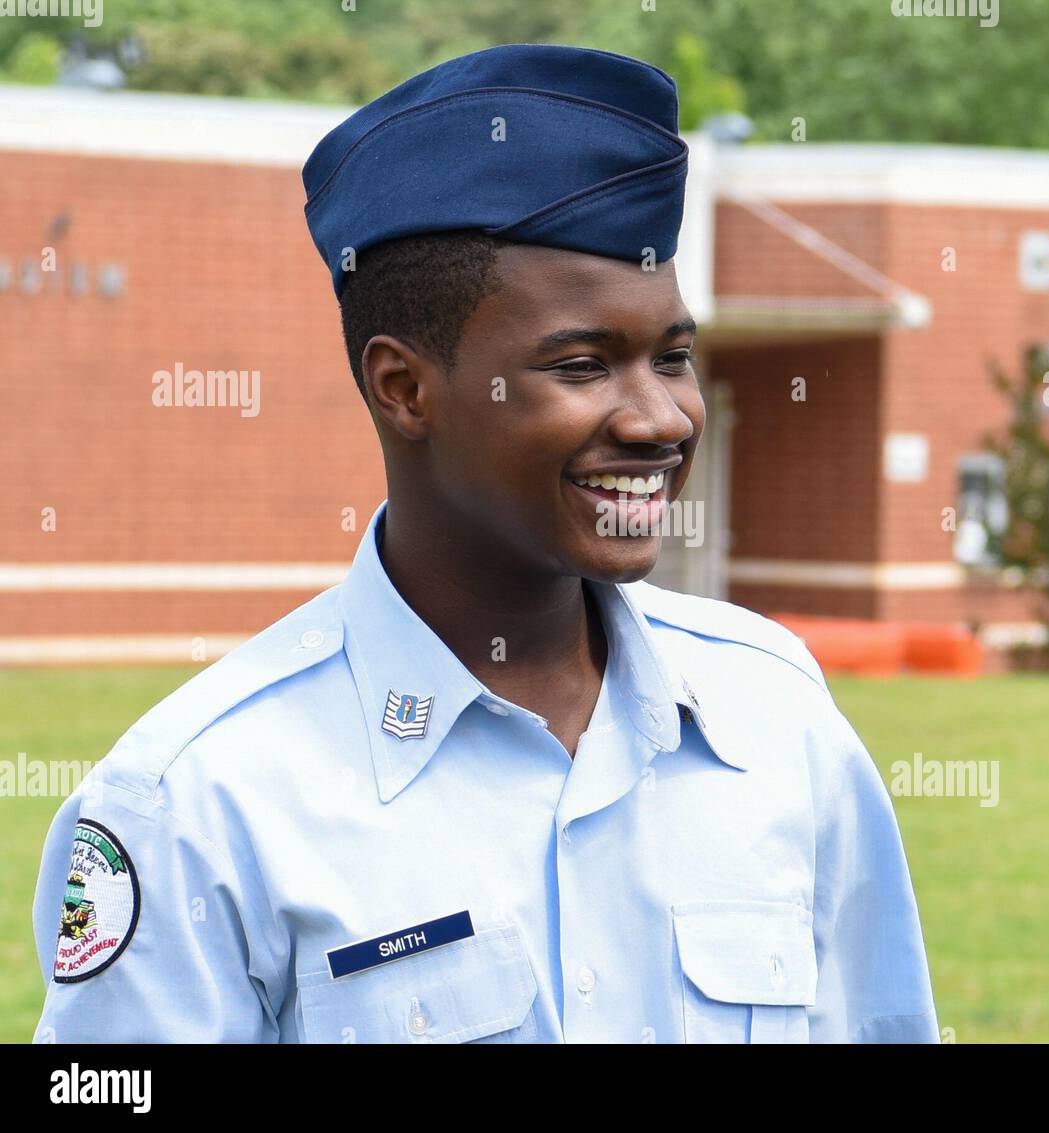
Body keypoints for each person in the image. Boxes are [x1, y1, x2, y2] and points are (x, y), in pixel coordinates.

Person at [31, 43, 938, 1044]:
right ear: (404, 388)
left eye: (673, 357)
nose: (660, 419)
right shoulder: (196, 799)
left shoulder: (774, 713)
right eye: (583, 363)